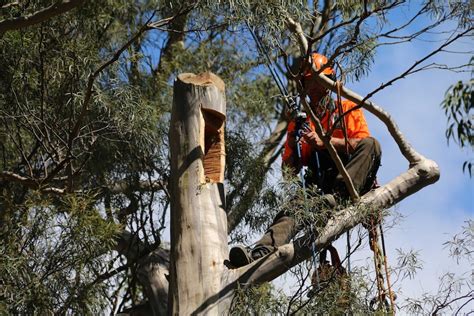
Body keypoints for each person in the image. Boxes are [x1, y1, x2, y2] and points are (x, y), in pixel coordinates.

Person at [228, 53, 382, 268]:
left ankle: (337, 197)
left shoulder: (346, 108)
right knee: (293, 208)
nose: (316, 88)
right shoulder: (301, 122)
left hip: (348, 180)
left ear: (330, 82)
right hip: (319, 189)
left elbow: (364, 146)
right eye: (310, 82)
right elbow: (289, 173)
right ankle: (259, 253)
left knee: (372, 144)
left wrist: (327, 142)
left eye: (320, 81)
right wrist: (292, 138)